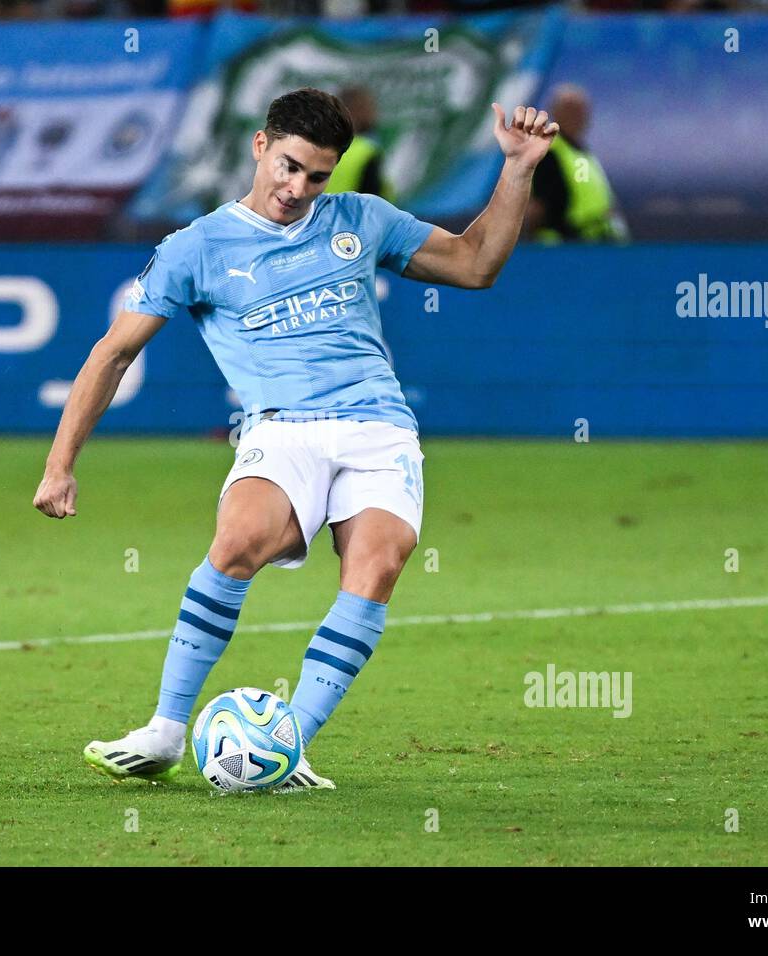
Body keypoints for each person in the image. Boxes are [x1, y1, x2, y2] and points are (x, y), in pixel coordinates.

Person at [33, 87, 558, 790]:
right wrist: (60, 465)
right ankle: (163, 730)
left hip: (378, 426)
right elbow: (111, 354)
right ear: (260, 145)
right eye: (288, 166)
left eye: (316, 176)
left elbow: (474, 264)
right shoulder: (196, 249)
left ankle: (288, 747)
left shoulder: (360, 219)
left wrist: (517, 169)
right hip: (282, 428)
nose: (297, 188)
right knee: (239, 542)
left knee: (375, 567)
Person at [526, 84, 628, 243]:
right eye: (571, 111)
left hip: (591, 243)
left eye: (582, 112)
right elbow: (539, 206)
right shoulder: (548, 153)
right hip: (563, 248)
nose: (580, 117)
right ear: (555, 113)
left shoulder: (579, 151)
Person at [327, 85, 394, 200]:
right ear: (356, 111)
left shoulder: (316, 147)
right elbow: (373, 202)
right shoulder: (366, 151)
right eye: (369, 108)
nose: (374, 115)